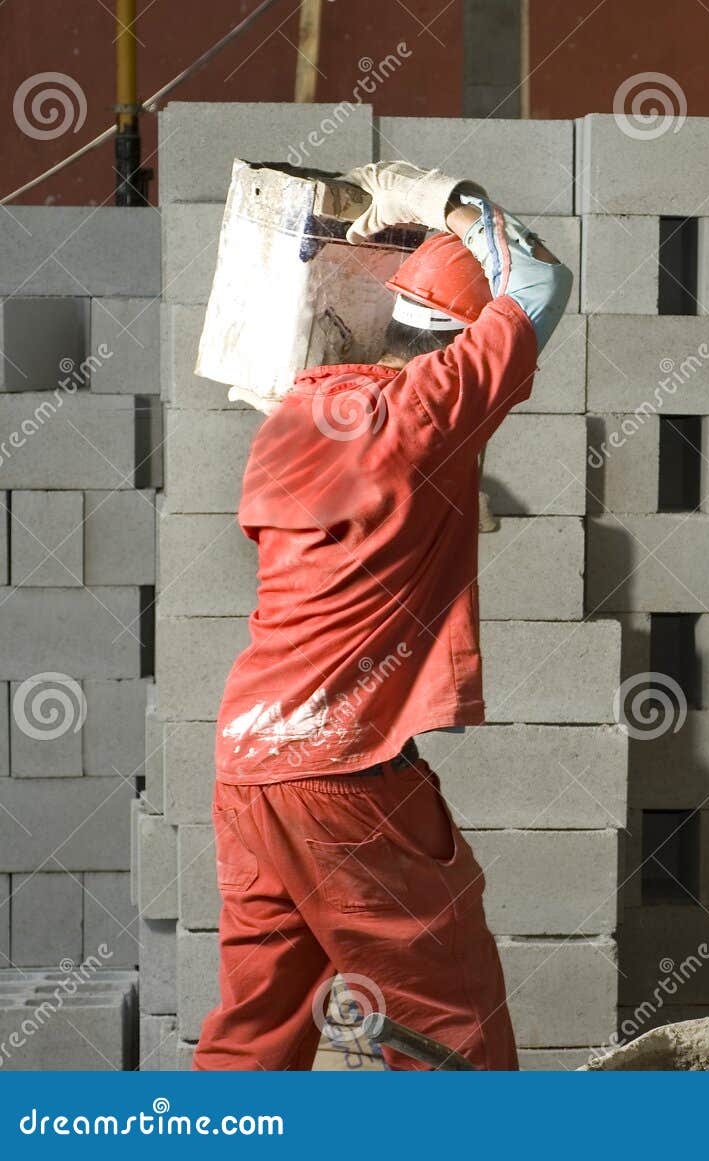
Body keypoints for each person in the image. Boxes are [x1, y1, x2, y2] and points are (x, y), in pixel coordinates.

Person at [192, 163, 573, 1068]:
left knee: (254, 1035)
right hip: (343, 771)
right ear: (458, 339)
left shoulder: (292, 413)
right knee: (452, 1027)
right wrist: (438, 196)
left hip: (248, 764)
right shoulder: (426, 411)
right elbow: (540, 284)